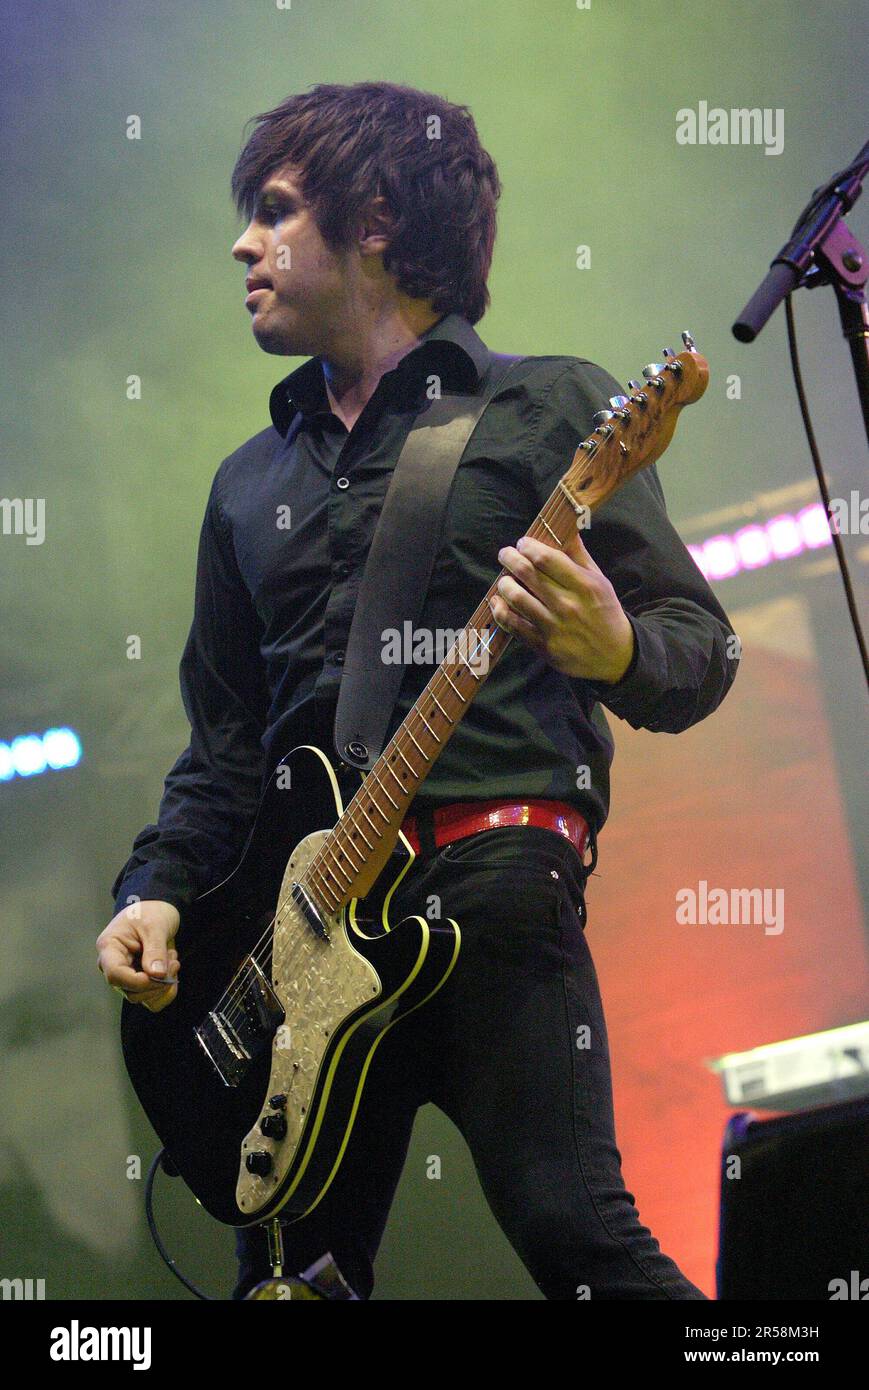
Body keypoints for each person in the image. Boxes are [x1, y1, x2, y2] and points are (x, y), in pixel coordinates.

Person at [97, 81, 738, 1300]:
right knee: (287, 1288)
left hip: (492, 881)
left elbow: (697, 647)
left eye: (275, 211)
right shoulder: (245, 484)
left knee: (576, 1237)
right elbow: (227, 752)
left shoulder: (544, 407)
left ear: (376, 216)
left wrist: (613, 652)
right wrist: (159, 890)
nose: (242, 243)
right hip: (302, 940)